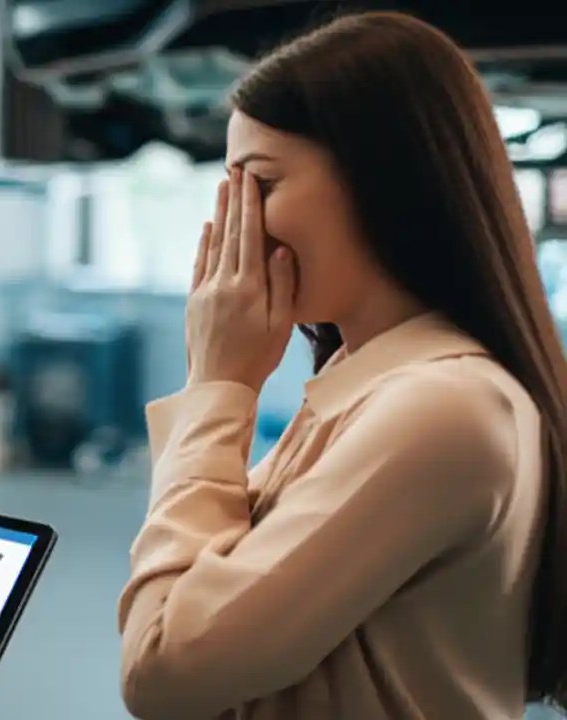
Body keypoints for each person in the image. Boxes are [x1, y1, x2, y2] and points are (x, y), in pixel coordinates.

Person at [118, 11, 567, 720]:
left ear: (381, 182)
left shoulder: (445, 407)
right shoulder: (369, 383)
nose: (238, 223)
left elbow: (164, 668)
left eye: (260, 186)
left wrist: (217, 384)